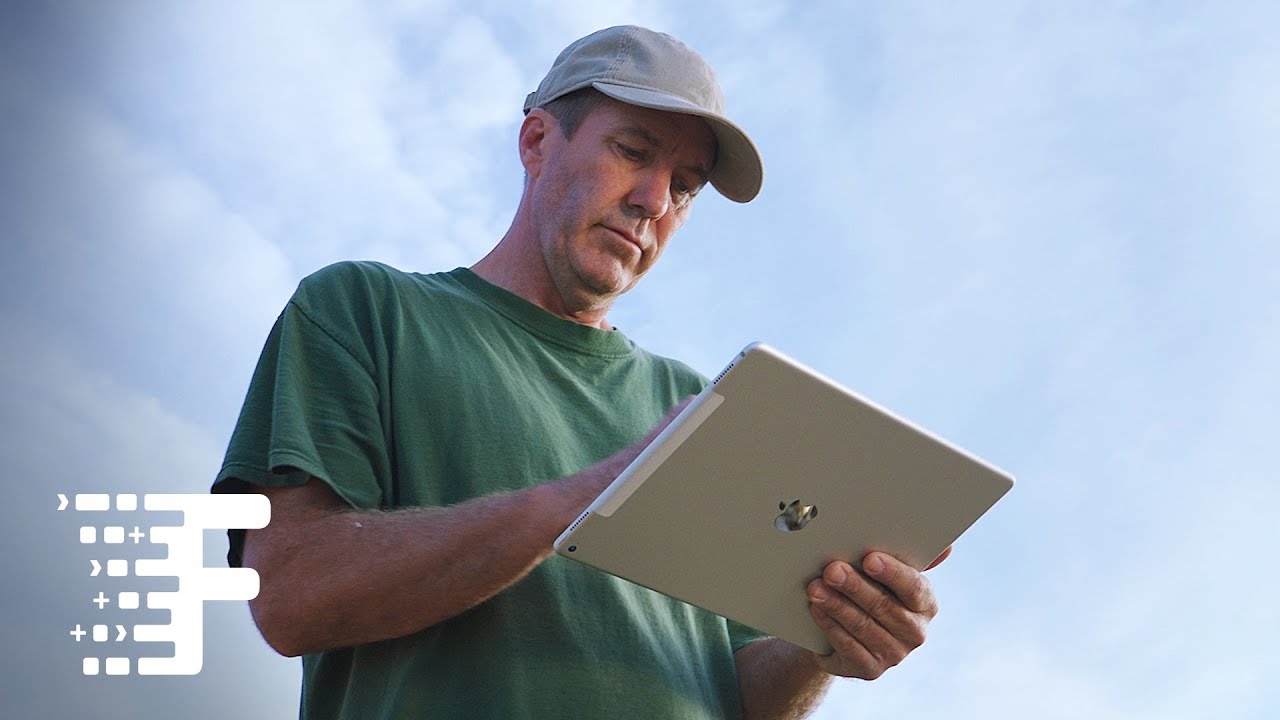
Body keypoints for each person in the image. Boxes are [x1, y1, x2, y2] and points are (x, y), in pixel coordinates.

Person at [214, 25, 944, 720]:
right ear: (537, 141)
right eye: (633, 151)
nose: (654, 201)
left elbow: (732, 692)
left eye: (685, 186)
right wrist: (592, 497)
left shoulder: (701, 405)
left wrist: (825, 639)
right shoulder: (367, 310)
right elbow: (290, 593)